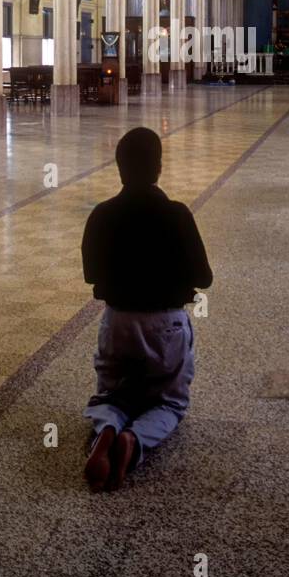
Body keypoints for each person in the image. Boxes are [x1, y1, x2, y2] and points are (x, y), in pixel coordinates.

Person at [81, 126, 213, 492]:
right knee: (169, 403)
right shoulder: (177, 214)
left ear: (119, 168)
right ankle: (133, 442)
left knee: (109, 395)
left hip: (117, 322)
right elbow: (204, 278)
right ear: (157, 168)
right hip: (165, 325)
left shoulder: (101, 214)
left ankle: (108, 427)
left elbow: (90, 273)